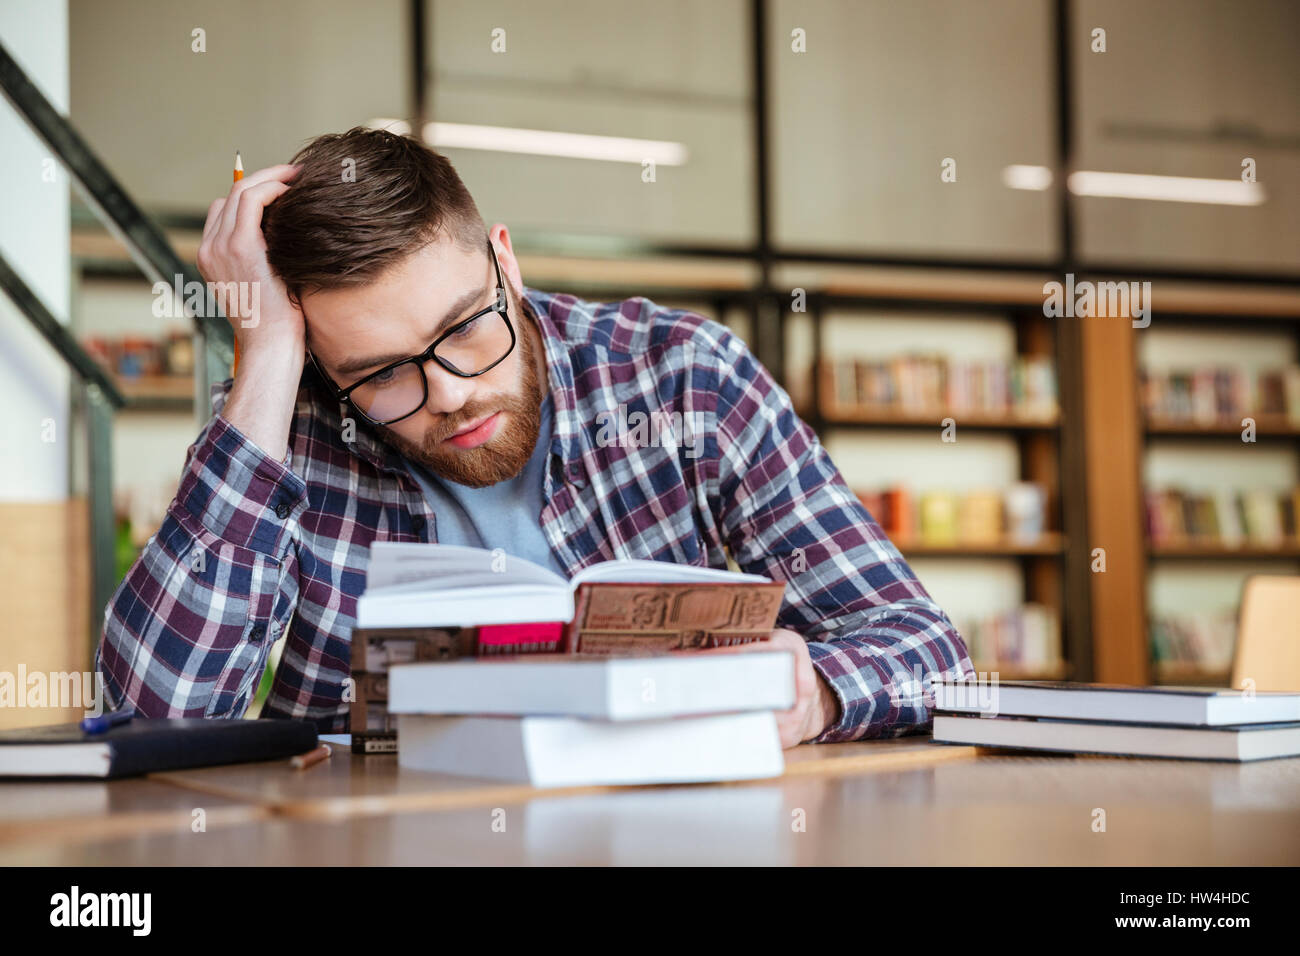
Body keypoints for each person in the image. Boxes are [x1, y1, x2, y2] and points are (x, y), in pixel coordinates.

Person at [96, 128, 972, 747]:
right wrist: (263, 359)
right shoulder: (289, 419)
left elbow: (924, 646)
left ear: (505, 262)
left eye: (468, 328)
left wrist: (814, 694)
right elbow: (158, 717)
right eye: (382, 373)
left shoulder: (684, 379)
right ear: (325, 364)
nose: (452, 393)